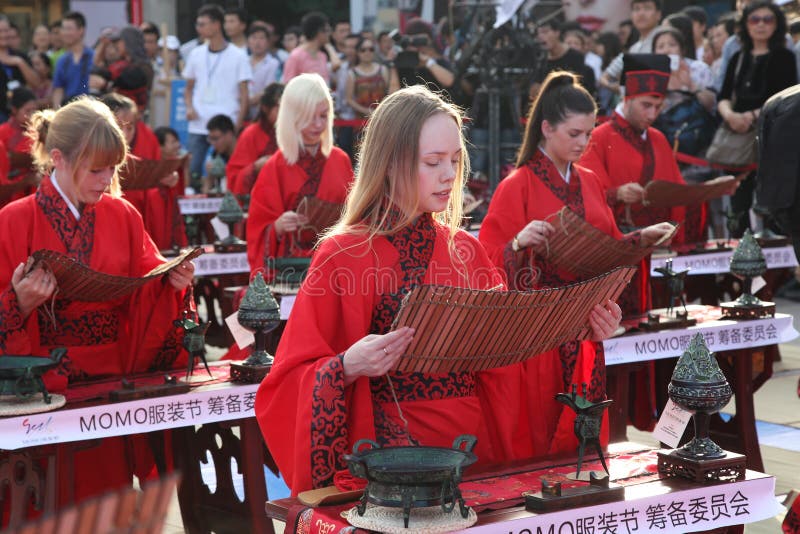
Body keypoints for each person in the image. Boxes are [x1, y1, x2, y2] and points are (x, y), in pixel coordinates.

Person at [254, 84, 623, 495]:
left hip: (474, 456)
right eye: (433, 162)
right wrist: (344, 367)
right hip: (387, 463)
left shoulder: (467, 250)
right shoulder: (342, 254)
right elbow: (284, 386)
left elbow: (515, 356)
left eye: (454, 160)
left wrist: (579, 332)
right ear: (390, 164)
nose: (449, 175)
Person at [0, 97, 194, 500]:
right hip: (43, 385)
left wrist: (172, 283)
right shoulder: (14, 220)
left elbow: (150, 280)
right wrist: (17, 303)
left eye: (113, 168)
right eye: (97, 169)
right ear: (58, 158)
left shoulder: (123, 215)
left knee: (108, 502)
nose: (107, 179)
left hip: (111, 379)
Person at [479, 71, 671, 456]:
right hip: (537, 335)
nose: (584, 143)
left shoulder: (590, 180)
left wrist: (639, 240)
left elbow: (609, 246)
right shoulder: (517, 184)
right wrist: (517, 243)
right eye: (574, 134)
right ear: (546, 128)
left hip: (585, 328)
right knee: (539, 430)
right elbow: (484, 259)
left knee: (583, 431)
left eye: (588, 133)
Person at [246, 73, 353, 274]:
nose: (318, 125)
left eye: (323, 116)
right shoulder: (275, 167)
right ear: (292, 116)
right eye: (309, 117)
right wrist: (277, 226)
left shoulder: (341, 160)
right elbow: (256, 231)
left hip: (338, 266)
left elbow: (356, 219)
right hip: (292, 271)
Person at [718, 0, 797, 236]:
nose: (761, 25)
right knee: (738, 204)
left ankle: (782, 271)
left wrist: (751, 115)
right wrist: (731, 115)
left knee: (774, 204)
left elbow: (787, 97)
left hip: (774, 139)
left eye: (767, 19)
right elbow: (723, 95)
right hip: (738, 137)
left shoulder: (784, 56)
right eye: (755, 19)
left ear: (777, 24)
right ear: (745, 24)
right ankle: (740, 264)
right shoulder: (738, 56)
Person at [183, 3, 252, 190]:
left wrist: (237, 124)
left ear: (216, 25)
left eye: (203, 24)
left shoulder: (238, 55)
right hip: (198, 124)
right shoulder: (195, 54)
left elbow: (244, 95)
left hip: (225, 123)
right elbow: (188, 88)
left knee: (230, 174)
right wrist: (189, 107)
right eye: (198, 24)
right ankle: (194, 216)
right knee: (194, 172)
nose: (199, 28)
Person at [227, 83, 283, 195]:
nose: (286, 113)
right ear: (265, 108)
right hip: (259, 196)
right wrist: (256, 167)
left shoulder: (297, 132)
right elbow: (234, 177)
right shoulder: (250, 134)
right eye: (281, 107)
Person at [599, 0, 661, 94]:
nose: (641, 13)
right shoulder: (634, 48)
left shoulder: (664, 41)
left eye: (647, 8)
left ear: (658, 14)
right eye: (636, 9)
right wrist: (616, 87)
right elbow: (605, 76)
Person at [532, 19, 596, 99]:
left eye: (545, 32)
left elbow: (577, 87)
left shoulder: (575, 56)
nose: (540, 36)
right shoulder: (541, 59)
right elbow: (534, 90)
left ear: (557, 33)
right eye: (538, 33)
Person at [0, 88, 39, 208]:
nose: (32, 115)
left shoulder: (38, 133)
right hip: (9, 193)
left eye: (34, 110)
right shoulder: (2, 132)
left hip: (32, 190)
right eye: (27, 110)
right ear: (14, 110)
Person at [281, 11, 339, 85]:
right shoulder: (296, 56)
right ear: (319, 31)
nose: (329, 34)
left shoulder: (322, 56)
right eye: (327, 30)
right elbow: (287, 85)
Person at [51, 11, 92, 108]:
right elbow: (58, 89)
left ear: (81, 30)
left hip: (92, 111)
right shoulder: (62, 60)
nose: (65, 33)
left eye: (69, 29)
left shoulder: (94, 57)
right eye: (63, 29)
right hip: (69, 111)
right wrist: (56, 112)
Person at [345, 36, 391, 118]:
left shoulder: (383, 69)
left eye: (371, 49)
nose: (367, 52)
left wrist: (380, 110)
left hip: (382, 116)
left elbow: (389, 93)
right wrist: (366, 111)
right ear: (357, 52)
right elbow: (349, 99)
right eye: (363, 50)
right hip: (360, 121)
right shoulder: (352, 73)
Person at [246, 25, 280, 120]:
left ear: (268, 42)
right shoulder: (243, 61)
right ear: (248, 42)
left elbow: (269, 89)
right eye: (254, 38)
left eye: (261, 38)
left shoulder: (274, 63)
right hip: (241, 112)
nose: (257, 42)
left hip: (261, 114)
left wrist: (249, 101)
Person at [201, 114, 237, 192]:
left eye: (216, 138)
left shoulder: (245, 152)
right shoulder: (213, 152)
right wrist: (210, 175)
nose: (213, 143)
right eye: (210, 139)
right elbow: (206, 188)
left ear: (229, 134)